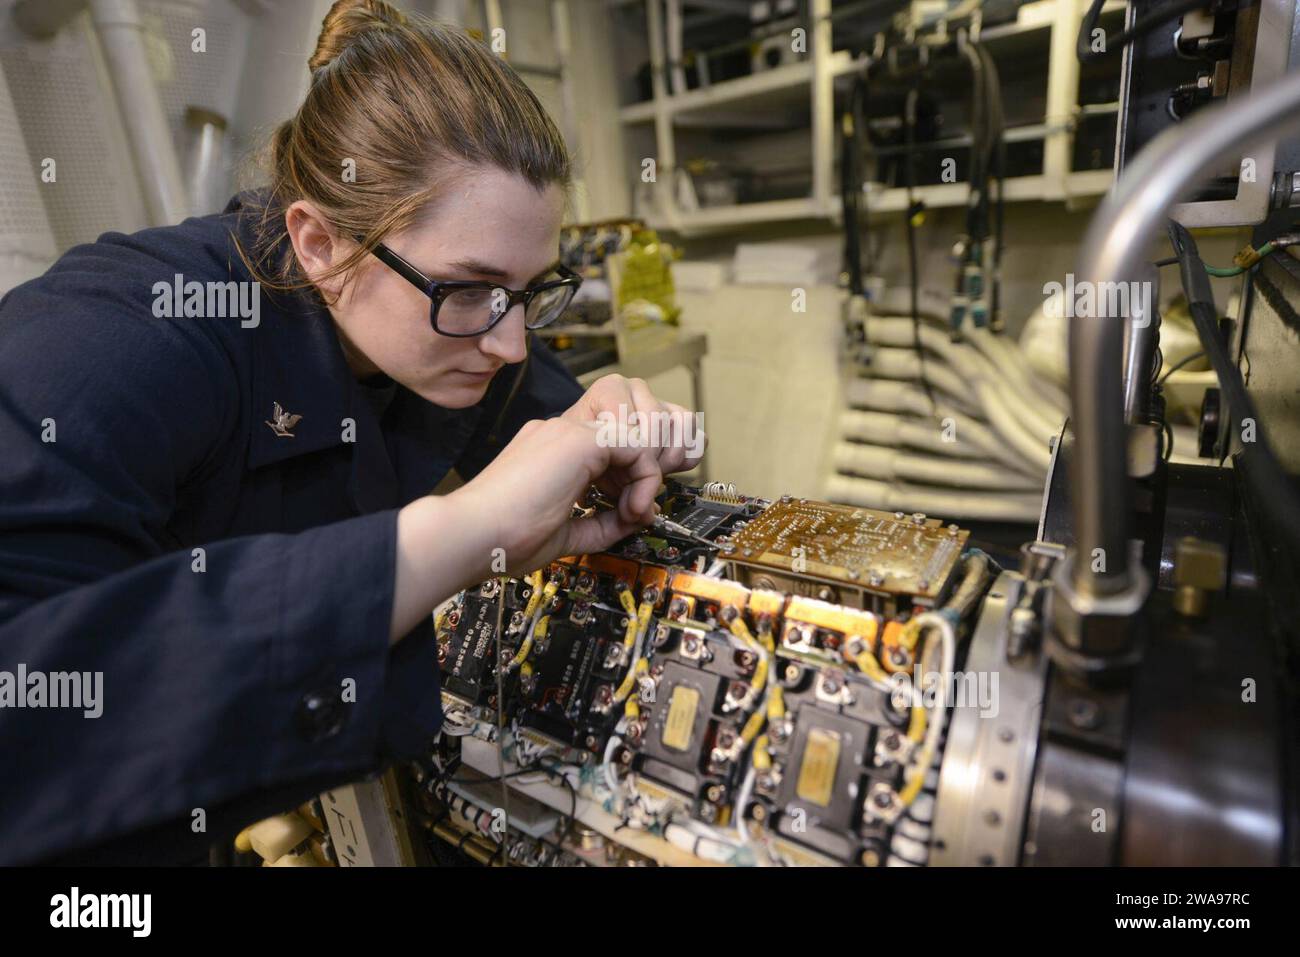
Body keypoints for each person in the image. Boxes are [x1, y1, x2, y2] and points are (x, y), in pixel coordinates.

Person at [0, 0, 702, 864]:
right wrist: (462, 531)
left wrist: (630, 428)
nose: (511, 341)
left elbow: (574, 432)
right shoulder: (116, 343)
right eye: (471, 289)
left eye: (528, 292)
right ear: (321, 242)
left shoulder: (457, 328)